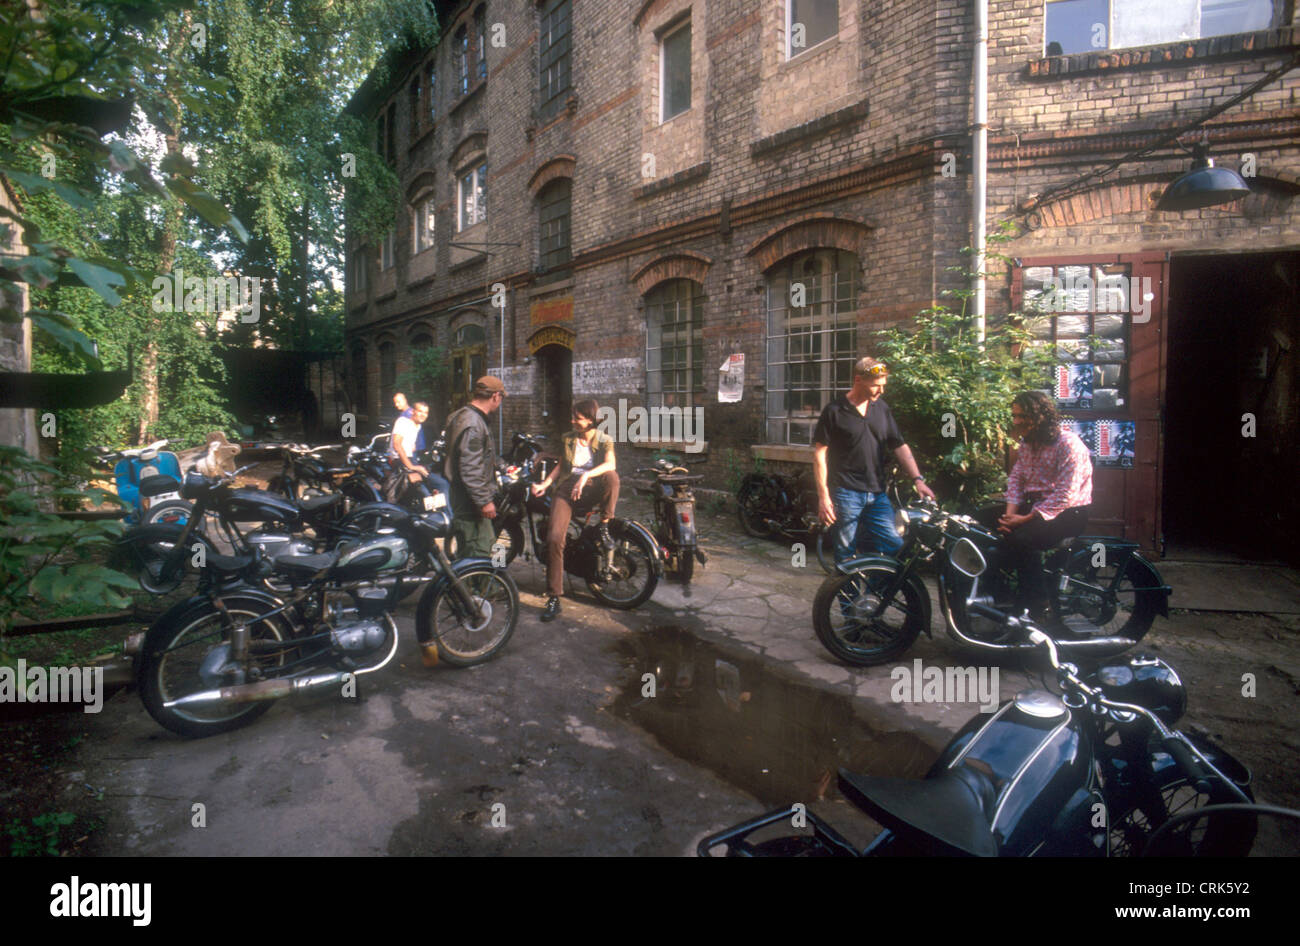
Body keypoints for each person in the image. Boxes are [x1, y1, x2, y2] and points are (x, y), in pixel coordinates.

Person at [977, 390, 1092, 622]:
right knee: (975, 521)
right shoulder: (1027, 444)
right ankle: (995, 592)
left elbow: (1065, 495)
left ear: (1040, 416)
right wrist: (1008, 517)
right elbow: (1017, 480)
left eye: (1023, 416)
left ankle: (1039, 604)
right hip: (1034, 507)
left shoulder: (1069, 445)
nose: (1017, 421)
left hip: (1069, 513)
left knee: (1022, 539)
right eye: (1015, 416)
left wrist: (1022, 521)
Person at [814, 357, 936, 565]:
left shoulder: (882, 408)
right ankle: (850, 599)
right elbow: (819, 455)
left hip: (877, 493)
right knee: (846, 552)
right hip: (846, 493)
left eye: (883, 386)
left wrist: (918, 479)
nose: (881, 391)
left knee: (894, 545)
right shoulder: (834, 411)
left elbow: (899, 445)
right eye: (876, 386)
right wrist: (823, 496)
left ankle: (878, 594)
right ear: (858, 380)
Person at [529, 399, 619, 623]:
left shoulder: (604, 440)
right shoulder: (568, 438)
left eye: (577, 418)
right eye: (573, 417)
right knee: (554, 538)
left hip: (592, 486)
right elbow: (561, 465)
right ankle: (553, 596)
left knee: (612, 477)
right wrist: (545, 484)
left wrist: (587, 475)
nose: (572, 421)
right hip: (567, 488)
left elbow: (611, 465)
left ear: (590, 420)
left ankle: (605, 524)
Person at [443, 376, 507, 559]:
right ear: (495, 396)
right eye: (501, 398)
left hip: (464, 496)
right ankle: (473, 587)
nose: (500, 403)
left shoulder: (461, 415)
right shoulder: (474, 423)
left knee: (484, 547)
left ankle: (483, 585)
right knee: (480, 552)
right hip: (470, 502)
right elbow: (470, 468)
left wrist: (500, 464)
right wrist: (484, 501)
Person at [389, 400, 450, 503]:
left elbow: (409, 446)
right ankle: (446, 516)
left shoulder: (417, 426)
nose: (423, 415)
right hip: (401, 461)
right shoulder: (403, 421)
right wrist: (412, 467)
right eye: (420, 411)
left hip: (410, 459)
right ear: (413, 411)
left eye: (426, 412)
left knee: (436, 484)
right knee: (437, 486)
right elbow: (397, 445)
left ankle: (438, 514)